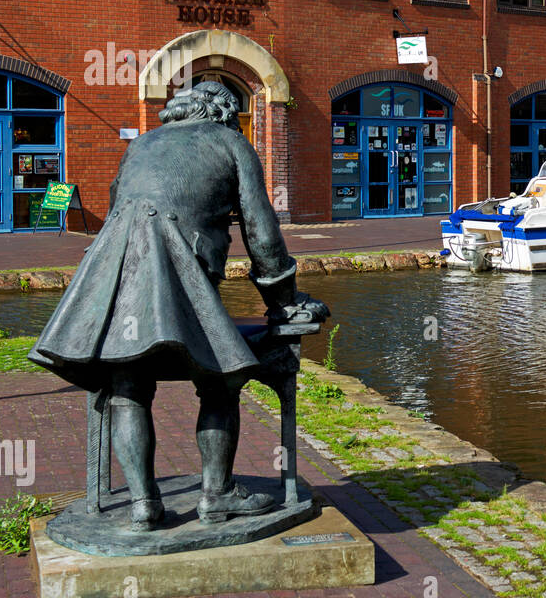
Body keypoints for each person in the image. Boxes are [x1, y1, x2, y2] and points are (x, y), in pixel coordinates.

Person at [29, 81, 327, 531]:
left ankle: (144, 504)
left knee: (127, 385)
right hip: (185, 282)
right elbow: (262, 235)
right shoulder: (231, 142)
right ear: (224, 113)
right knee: (221, 376)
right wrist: (283, 303)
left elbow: (116, 211)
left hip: (116, 285)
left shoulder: (143, 143)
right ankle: (217, 495)